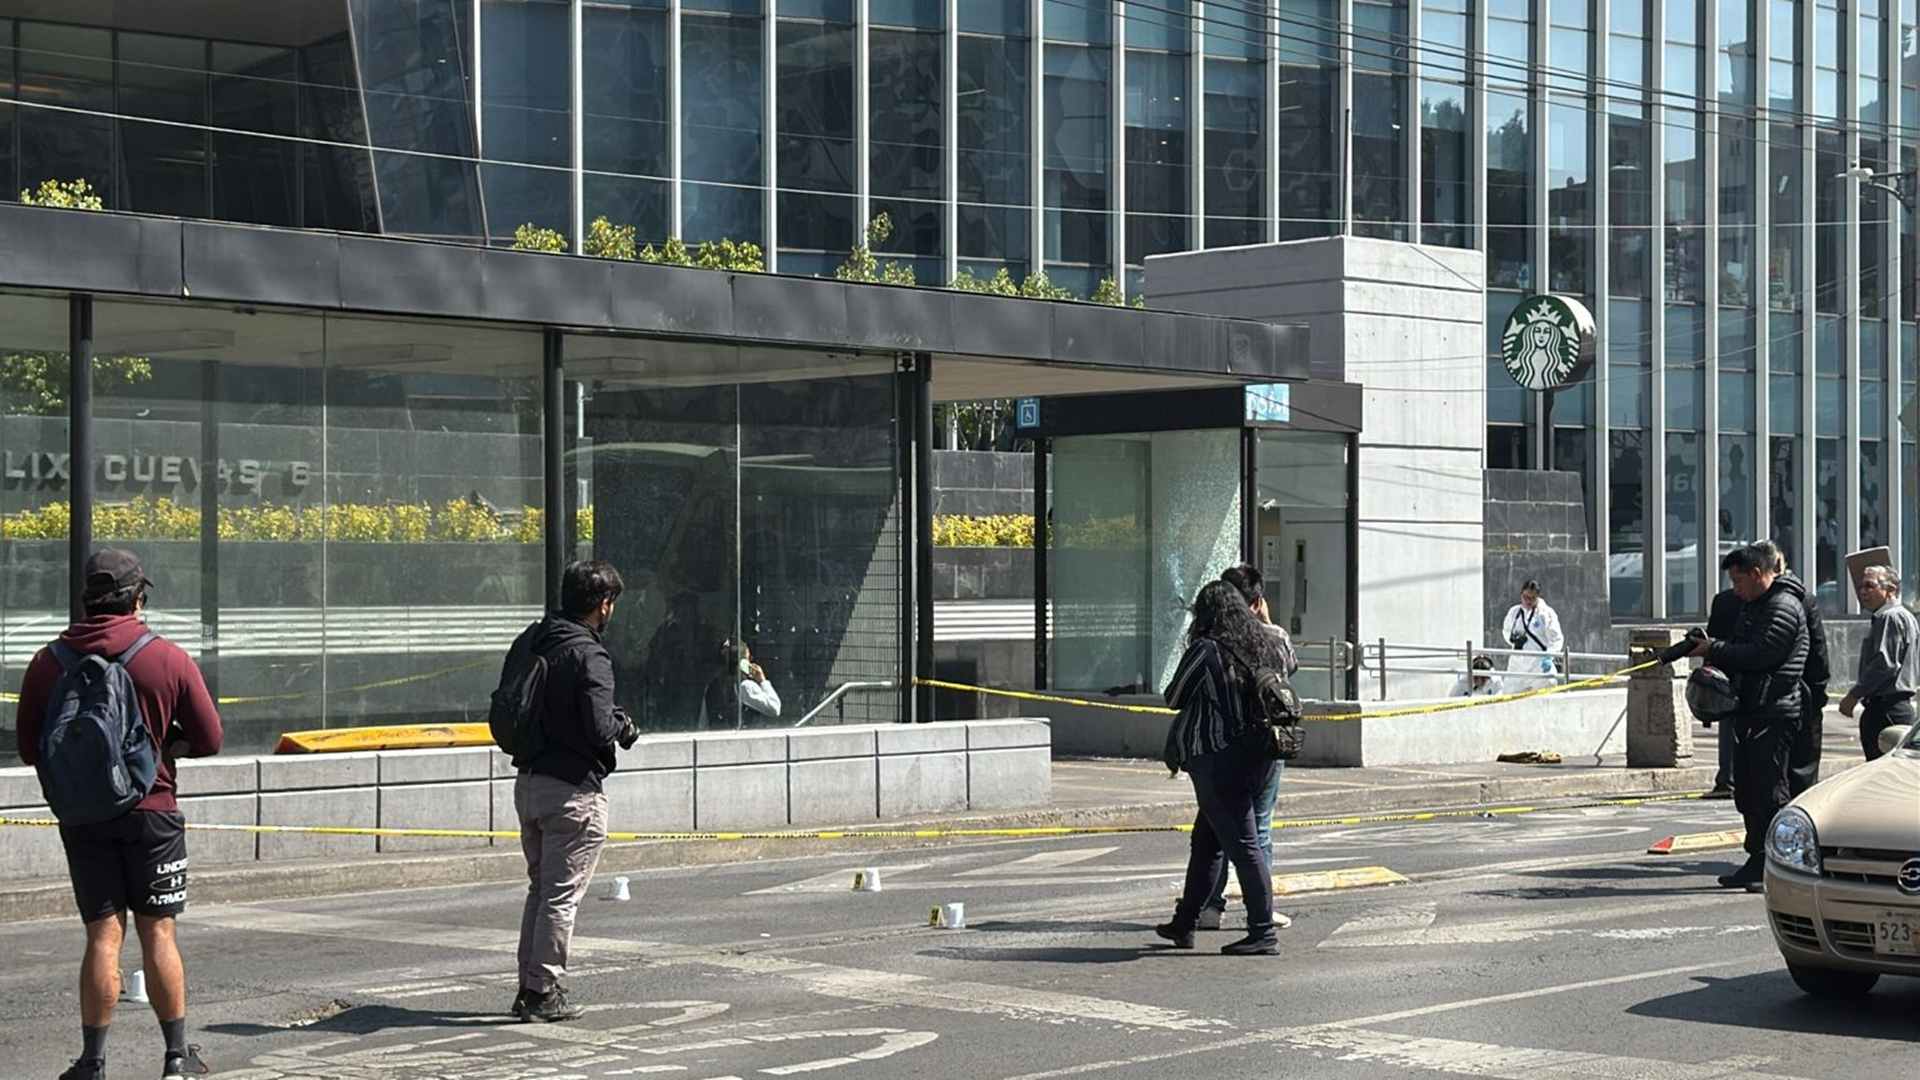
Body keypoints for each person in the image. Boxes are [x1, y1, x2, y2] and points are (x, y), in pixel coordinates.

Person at [15, 550, 223, 1080]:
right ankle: (176, 1059)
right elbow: (211, 738)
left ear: (87, 598)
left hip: (84, 817)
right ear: (137, 597)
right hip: (152, 811)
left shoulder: (48, 661)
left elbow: (27, 747)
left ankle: (92, 1062)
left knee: (102, 934)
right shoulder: (167, 658)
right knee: (159, 933)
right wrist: (163, 746)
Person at [511, 559, 637, 1023]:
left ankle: (529, 986)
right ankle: (542, 992)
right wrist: (622, 725)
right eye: (612, 604)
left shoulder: (536, 638)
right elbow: (600, 728)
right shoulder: (590, 655)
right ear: (603, 605)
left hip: (528, 783)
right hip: (572, 792)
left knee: (540, 891)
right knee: (560, 897)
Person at [1157, 580, 1289, 956]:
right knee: (1207, 841)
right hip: (1262, 754)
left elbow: (1174, 697)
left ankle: (1263, 931)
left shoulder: (1207, 650)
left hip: (1218, 757)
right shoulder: (1267, 643)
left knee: (1244, 845)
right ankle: (1185, 923)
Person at [1689, 544, 1809, 893]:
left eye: (1738, 580)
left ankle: (1777, 864)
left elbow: (1761, 655)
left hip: (1773, 711)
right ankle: (1757, 857)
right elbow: (1741, 648)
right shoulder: (1754, 605)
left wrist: (1714, 649)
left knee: (1770, 792)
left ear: (1758, 574)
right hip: (1750, 711)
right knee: (1748, 791)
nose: (1735, 588)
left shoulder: (1783, 605)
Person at [1194, 565, 1299, 933]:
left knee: (1219, 827)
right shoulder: (1271, 638)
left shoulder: (1210, 641)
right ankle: (1262, 912)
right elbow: (1290, 668)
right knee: (1259, 829)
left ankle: (1210, 905)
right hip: (1267, 743)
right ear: (1256, 602)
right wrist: (1268, 622)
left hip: (1220, 748)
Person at [1752, 539, 1828, 798]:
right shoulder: (1801, 599)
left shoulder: (1741, 600)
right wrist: (1817, 695)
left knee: (1766, 782)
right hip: (1796, 697)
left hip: (1759, 703)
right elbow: (1818, 654)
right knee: (1800, 776)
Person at [1839, 566, 1917, 761]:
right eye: (1860, 586)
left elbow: (1885, 664)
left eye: (1869, 586)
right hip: (1892, 707)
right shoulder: (1903, 616)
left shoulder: (1889, 617)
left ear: (1890, 590)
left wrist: (1853, 695)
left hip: (1886, 709)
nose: (1862, 592)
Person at [1700, 578, 1746, 800]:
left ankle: (1727, 779)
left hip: (1727, 675)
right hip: (1744, 674)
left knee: (1729, 730)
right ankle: (1731, 779)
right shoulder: (1761, 601)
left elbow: (1710, 644)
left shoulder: (1723, 600)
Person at [703, 640, 782, 729]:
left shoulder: (713, 685)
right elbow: (774, 709)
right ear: (744, 663)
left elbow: (704, 722)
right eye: (749, 658)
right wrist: (762, 680)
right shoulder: (746, 686)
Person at [1501, 580, 1565, 686]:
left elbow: (1556, 638)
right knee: (1510, 695)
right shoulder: (1514, 612)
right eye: (1525, 597)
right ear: (1521, 595)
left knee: (1547, 693)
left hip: (1539, 665)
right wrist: (1514, 639)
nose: (1528, 601)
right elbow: (1506, 631)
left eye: (1532, 598)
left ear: (1537, 597)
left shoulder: (1546, 613)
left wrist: (1549, 656)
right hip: (1517, 665)